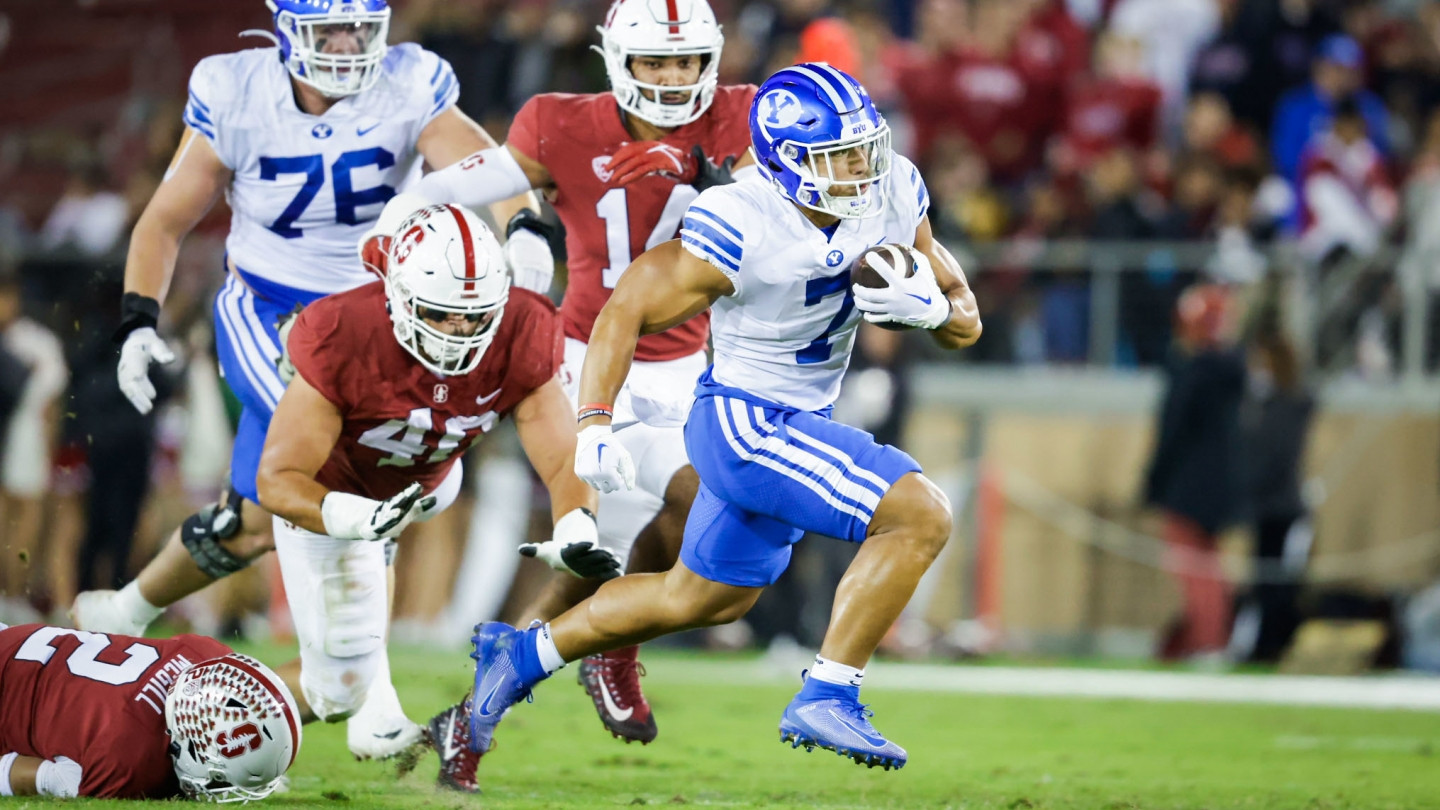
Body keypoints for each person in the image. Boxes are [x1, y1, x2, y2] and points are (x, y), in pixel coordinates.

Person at [467, 63, 981, 771]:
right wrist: (591, 423)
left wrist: (932, 311)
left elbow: (965, 317)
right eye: (838, 156)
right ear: (784, 162)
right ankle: (828, 693)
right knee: (920, 513)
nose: (861, 168)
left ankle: (521, 654)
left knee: (698, 598)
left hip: (803, 415)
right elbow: (627, 308)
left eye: (866, 148)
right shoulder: (742, 218)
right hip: (747, 422)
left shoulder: (893, 187)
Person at [71, 0, 547, 761]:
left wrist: (526, 224)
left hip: (382, 313)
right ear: (290, 29)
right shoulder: (237, 90)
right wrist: (137, 320)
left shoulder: (407, 80)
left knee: (253, 521)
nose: (349, 44)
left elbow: (485, 165)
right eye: (330, 29)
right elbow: (166, 218)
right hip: (272, 311)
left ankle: (125, 608)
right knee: (345, 473)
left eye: (361, 27)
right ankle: (373, 694)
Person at [412, 0, 755, 745]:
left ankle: (484, 713)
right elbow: (477, 182)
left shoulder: (744, 115)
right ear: (615, 60)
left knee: (626, 558)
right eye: (655, 60)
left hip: (689, 365)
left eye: (687, 59)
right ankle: (591, 664)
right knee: (628, 536)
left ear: (714, 58)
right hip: (589, 363)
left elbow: (779, 207)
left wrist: (700, 169)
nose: (672, 77)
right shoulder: (558, 121)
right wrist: (425, 215)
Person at [256, 197, 620, 793]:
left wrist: (576, 526)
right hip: (336, 497)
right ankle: (203, 703)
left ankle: (374, 669)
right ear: (397, 297)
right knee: (337, 688)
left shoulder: (524, 326)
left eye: (477, 317)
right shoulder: (341, 330)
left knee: (410, 527)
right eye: (442, 313)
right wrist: (360, 518)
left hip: (428, 482)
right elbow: (279, 478)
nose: (461, 331)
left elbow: (561, 455)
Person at [0, 622, 300, 800]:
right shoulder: (128, 758)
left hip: (15, 637)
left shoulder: (207, 654)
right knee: (62, 780)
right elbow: (48, 777)